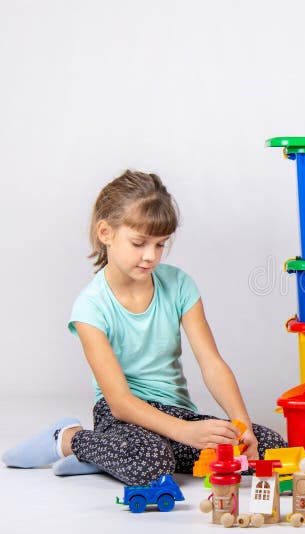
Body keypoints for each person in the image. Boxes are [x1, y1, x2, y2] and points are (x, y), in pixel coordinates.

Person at [2, 170, 286, 484]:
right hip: (121, 416)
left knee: (272, 446)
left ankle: (110, 457)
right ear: (105, 232)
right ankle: (70, 439)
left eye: (160, 244)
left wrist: (242, 427)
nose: (150, 256)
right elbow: (120, 402)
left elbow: (212, 364)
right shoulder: (90, 307)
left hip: (176, 413)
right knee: (153, 462)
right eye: (139, 243)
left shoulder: (179, 285)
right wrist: (186, 433)